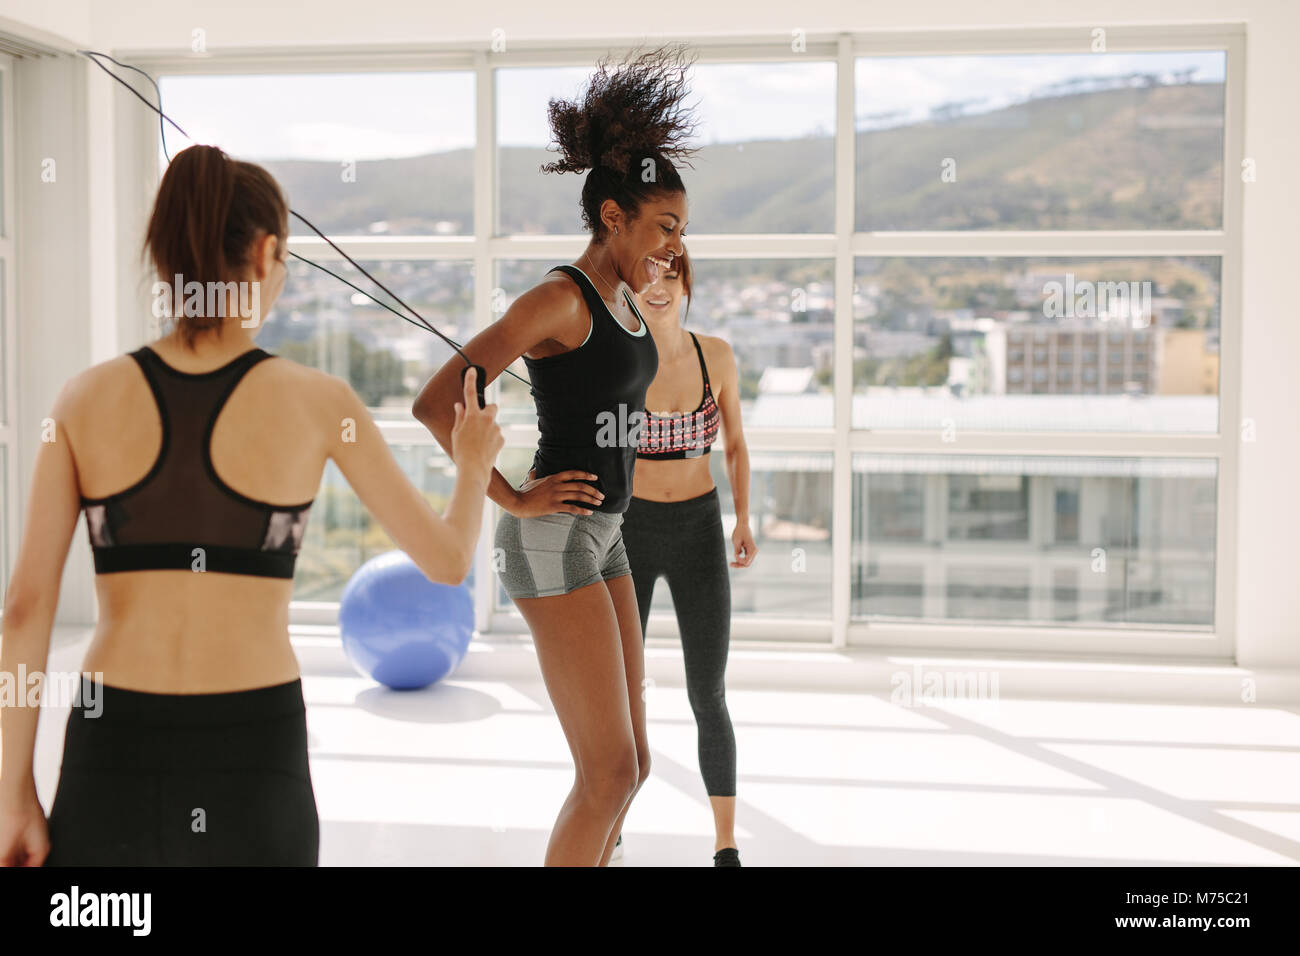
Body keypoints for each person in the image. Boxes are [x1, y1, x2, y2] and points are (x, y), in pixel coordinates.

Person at [0, 144, 503, 866]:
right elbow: (449, 562)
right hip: (253, 748)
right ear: (267, 253)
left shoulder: (83, 400)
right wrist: (473, 465)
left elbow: (24, 607)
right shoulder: (320, 403)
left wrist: (12, 795)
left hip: (113, 742)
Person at [413, 43, 698, 866]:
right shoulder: (557, 299)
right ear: (613, 216)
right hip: (552, 536)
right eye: (665, 226)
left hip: (607, 533)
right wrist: (512, 497)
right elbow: (438, 402)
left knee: (634, 766)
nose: (675, 245)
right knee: (606, 776)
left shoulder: (628, 302)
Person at [614, 247, 756, 867]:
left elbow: (736, 446)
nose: (659, 288)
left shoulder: (716, 356)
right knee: (622, 692)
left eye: (669, 275)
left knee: (708, 692)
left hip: (698, 528)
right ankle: (610, 823)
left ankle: (725, 843)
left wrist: (743, 518)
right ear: (629, 291)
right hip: (631, 531)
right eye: (646, 278)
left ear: (685, 283)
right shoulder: (618, 362)